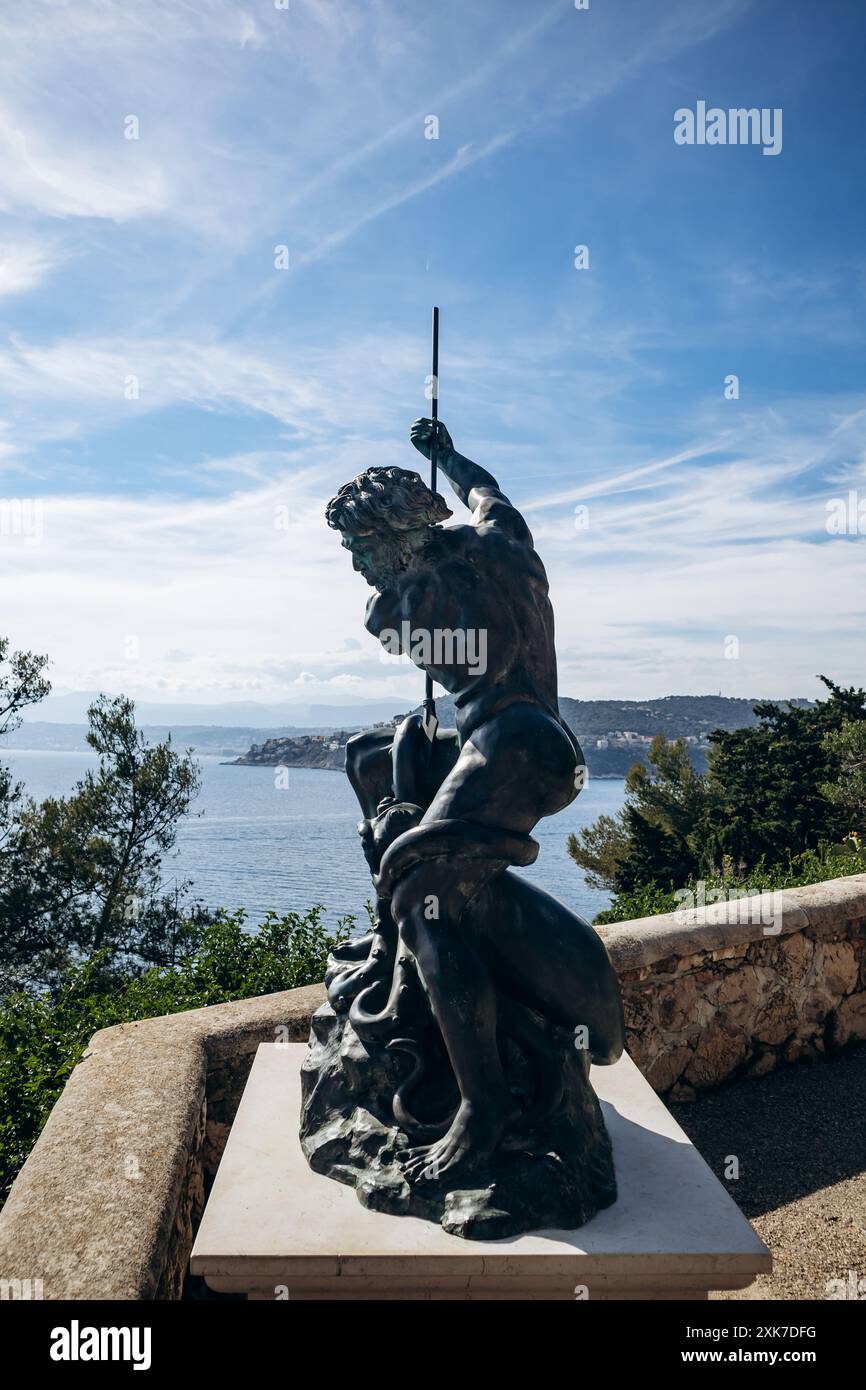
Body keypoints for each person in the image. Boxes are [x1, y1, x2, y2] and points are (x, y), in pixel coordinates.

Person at [326, 419, 621, 1182]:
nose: (357, 566)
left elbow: (444, 654)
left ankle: (480, 1108)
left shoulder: (406, 600)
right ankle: (412, 971)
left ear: (394, 536)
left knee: (421, 892)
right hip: (527, 733)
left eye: (360, 549)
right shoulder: (506, 537)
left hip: (511, 748)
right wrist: (446, 455)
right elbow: (484, 491)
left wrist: (393, 601)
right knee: (368, 761)